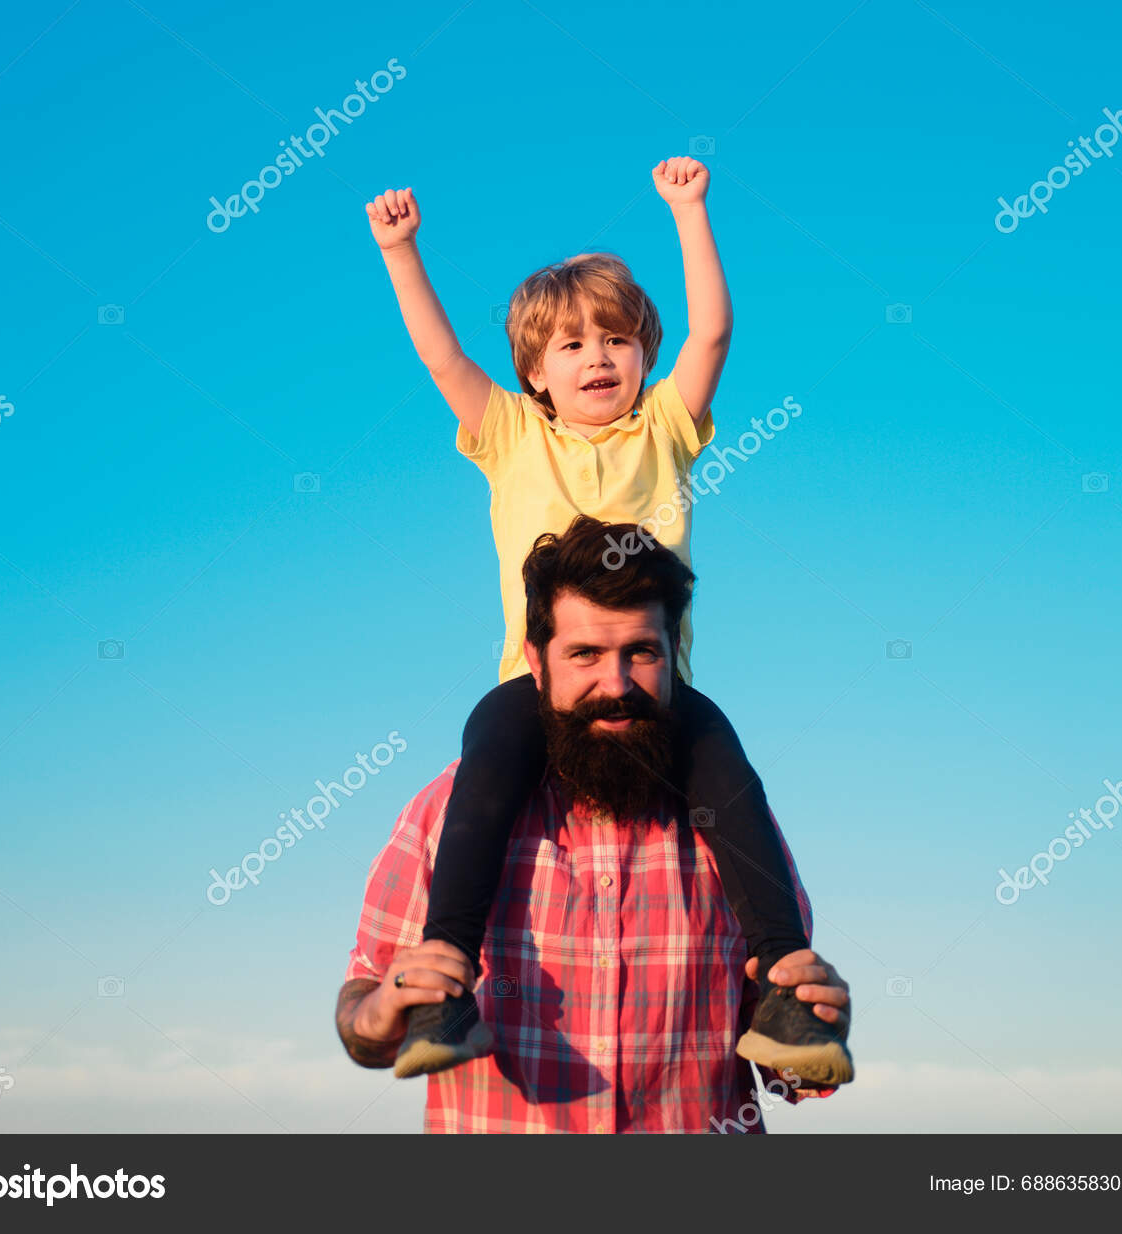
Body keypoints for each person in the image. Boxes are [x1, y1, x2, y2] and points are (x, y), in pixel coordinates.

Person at [363, 155, 849, 1085]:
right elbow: (440, 357)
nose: (598, 357)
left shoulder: (664, 428)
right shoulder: (511, 435)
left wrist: (690, 212)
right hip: (538, 688)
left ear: (641, 357)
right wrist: (401, 252)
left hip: (656, 692)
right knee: (484, 766)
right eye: (574, 345)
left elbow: (712, 333)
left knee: (728, 770)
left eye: (617, 340)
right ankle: (446, 979)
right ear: (535, 373)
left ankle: (785, 985)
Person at [334, 518, 853, 1131]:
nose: (617, 684)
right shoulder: (446, 810)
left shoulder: (735, 828)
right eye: (585, 654)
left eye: (641, 652)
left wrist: (818, 1027)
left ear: (673, 653)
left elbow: (782, 1078)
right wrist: (386, 1007)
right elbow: (362, 1024)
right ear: (536, 659)